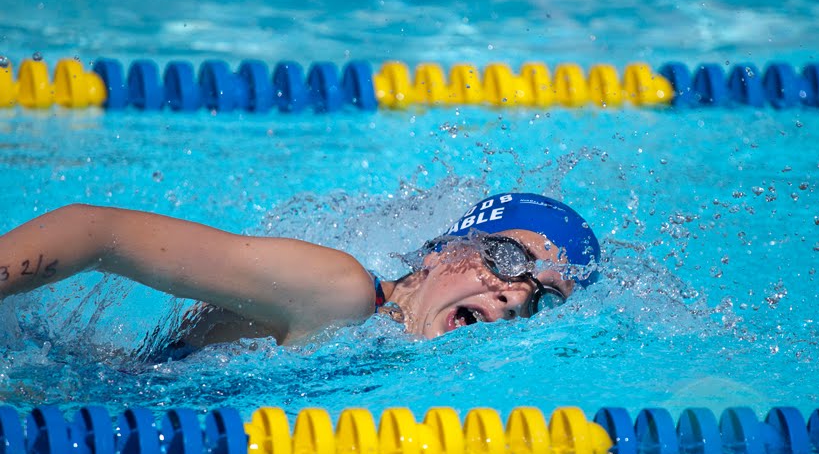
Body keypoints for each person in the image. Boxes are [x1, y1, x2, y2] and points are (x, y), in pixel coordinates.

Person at [0, 192, 600, 351]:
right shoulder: (336, 294)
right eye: (510, 259)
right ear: (441, 251)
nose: (517, 296)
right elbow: (96, 231)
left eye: (544, 298)